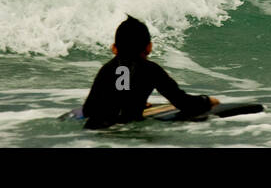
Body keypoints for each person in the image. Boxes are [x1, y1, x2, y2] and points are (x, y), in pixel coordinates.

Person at [80, 16, 218, 129]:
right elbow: (183, 103)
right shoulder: (150, 69)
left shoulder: (106, 69)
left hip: (95, 131)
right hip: (126, 133)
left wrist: (131, 100)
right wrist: (206, 100)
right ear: (149, 47)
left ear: (114, 48)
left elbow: (88, 111)